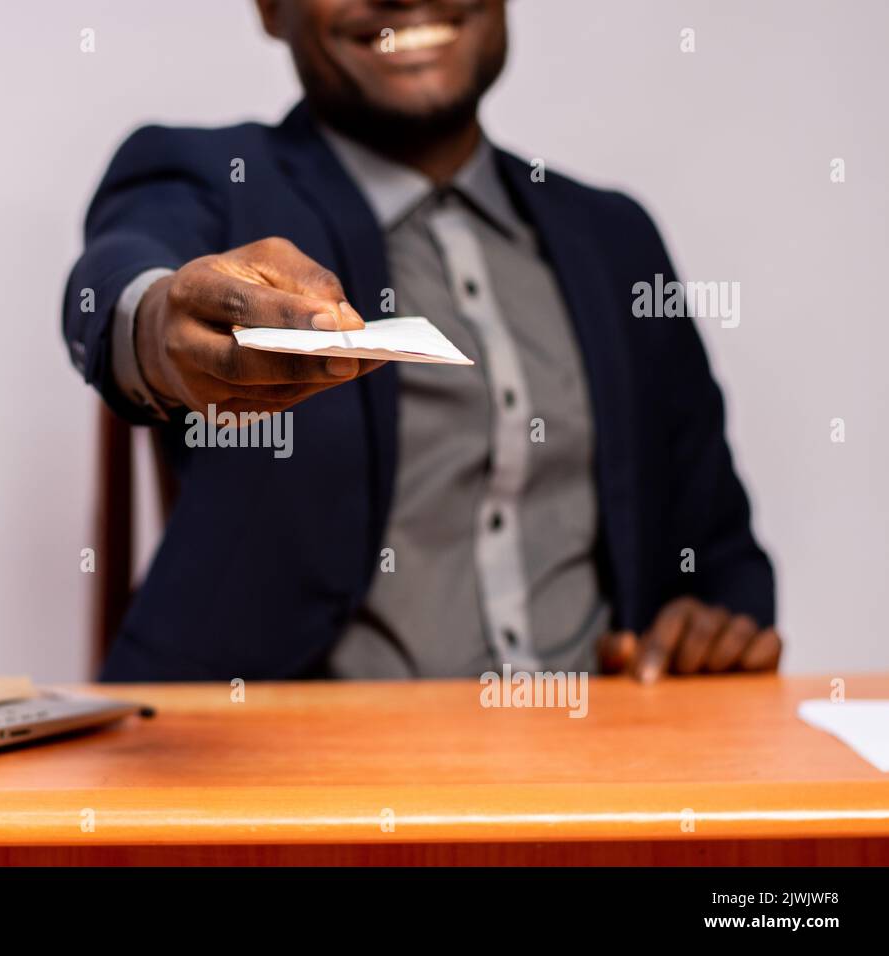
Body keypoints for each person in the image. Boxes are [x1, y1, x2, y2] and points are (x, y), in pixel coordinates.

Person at [62, 0, 781, 682]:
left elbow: (717, 553)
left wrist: (710, 629)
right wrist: (159, 329)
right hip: (298, 776)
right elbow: (119, 283)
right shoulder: (210, 180)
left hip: (601, 768)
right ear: (270, 8)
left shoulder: (616, 239)